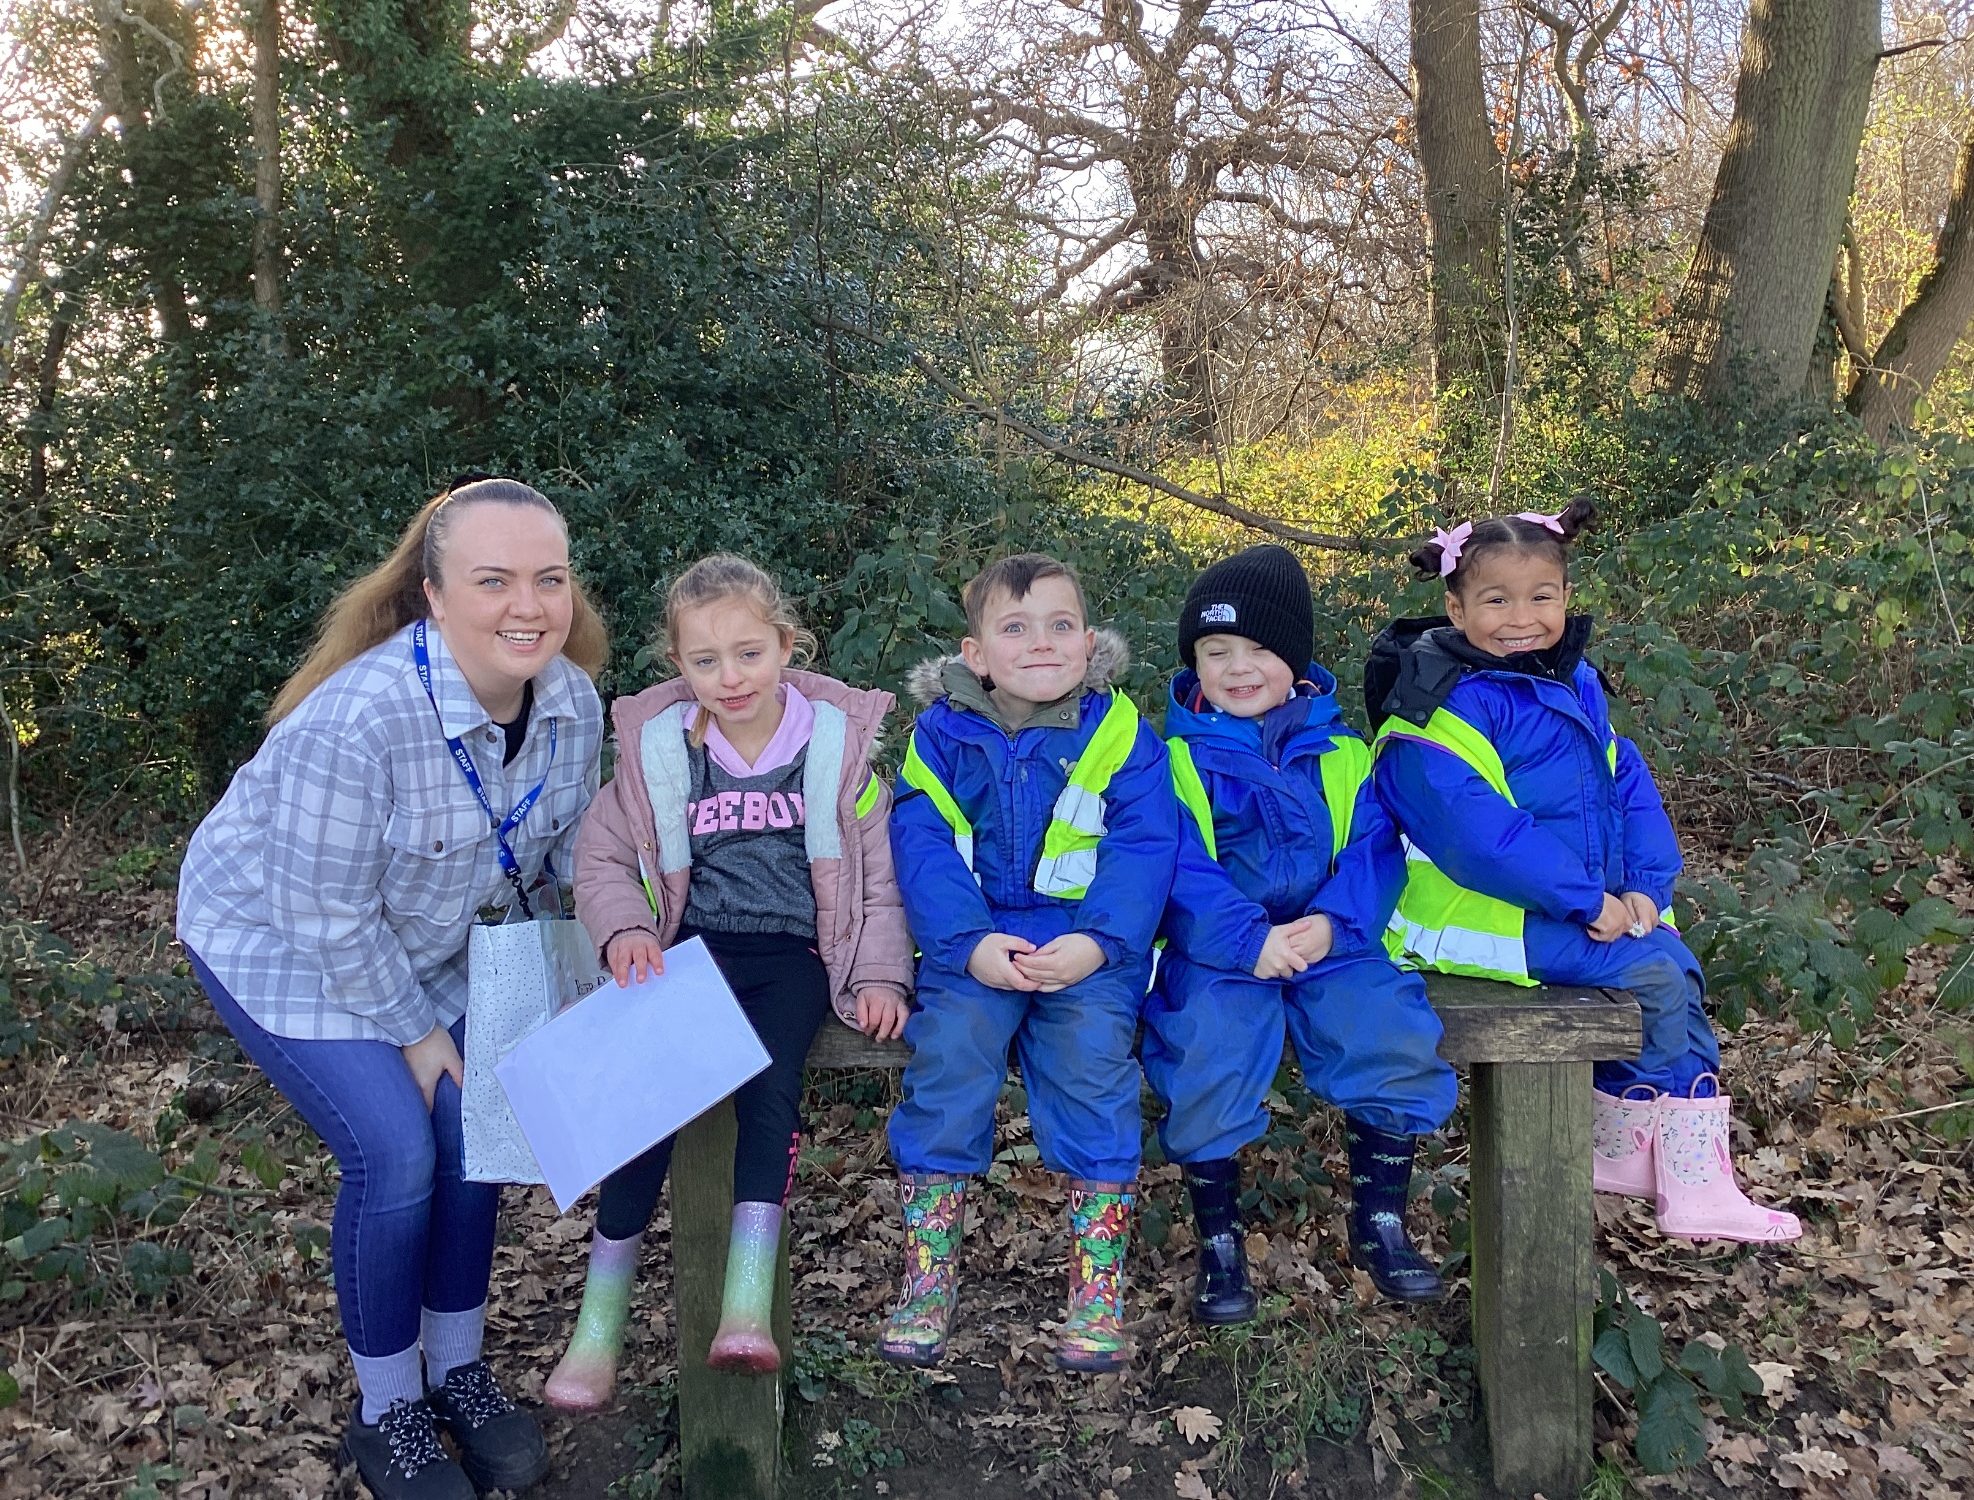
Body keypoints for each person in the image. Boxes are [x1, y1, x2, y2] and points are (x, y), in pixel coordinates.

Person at [178, 477, 607, 1500]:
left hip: (433, 936)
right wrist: (418, 1037)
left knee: (474, 1131)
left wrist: (597, 970)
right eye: (493, 580)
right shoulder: (358, 721)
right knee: (397, 1148)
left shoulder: (572, 702)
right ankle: (388, 1410)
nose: (528, 605)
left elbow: (564, 855)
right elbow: (323, 916)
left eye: (548, 579)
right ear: (432, 594)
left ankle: (455, 1369)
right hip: (280, 939)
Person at [1366, 503, 1800, 1244]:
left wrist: (1643, 887)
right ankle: (1686, 1180)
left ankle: (1636, 1147)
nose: (1521, 618)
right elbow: (1479, 838)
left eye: (1541, 597)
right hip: (1463, 917)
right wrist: (1581, 900)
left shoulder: (1571, 680)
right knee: (1654, 975)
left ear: (1567, 598)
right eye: (1496, 600)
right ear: (1455, 605)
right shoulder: (1435, 702)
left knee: (1669, 955)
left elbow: (1622, 781)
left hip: (1564, 905)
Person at [544, 554, 912, 1410]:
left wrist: (883, 975)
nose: (729, 676)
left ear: (787, 646)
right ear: (677, 665)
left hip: (793, 954)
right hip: (692, 951)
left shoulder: (834, 749)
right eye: (704, 661)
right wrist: (627, 929)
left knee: (771, 1091)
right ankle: (598, 1326)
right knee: (645, 1112)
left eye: (749, 653)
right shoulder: (660, 752)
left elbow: (878, 879)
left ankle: (745, 1305)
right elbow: (599, 859)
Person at [878, 554, 1175, 1373]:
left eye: (1059, 625)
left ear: (1088, 641)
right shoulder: (940, 734)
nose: (1040, 643)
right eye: (1015, 628)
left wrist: (1100, 943)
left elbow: (1145, 845)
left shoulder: (1121, 733)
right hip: (973, 945)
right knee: (951, 1057)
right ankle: (929, 1277)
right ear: (975, 654)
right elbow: (922, 842)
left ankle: (1095, 1288)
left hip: (1089, 946)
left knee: (1092, 1065)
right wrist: (968, 944)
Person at [1148, 545, 1459, 1317]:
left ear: (1297, 660)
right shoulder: (1171, 757)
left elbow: (1375, 849)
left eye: (1260, 650)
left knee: (1384, 1026)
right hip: (1220, 951)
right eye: (1216, 652)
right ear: (1194, 662)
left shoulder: (1346, 752)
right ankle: (1220, 1240)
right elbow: (1175, 864)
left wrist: (1331, 923)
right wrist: (1246, 940)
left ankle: (1379, 1217)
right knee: (1207, 1047)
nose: (1238, 667)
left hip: (1332, 940)